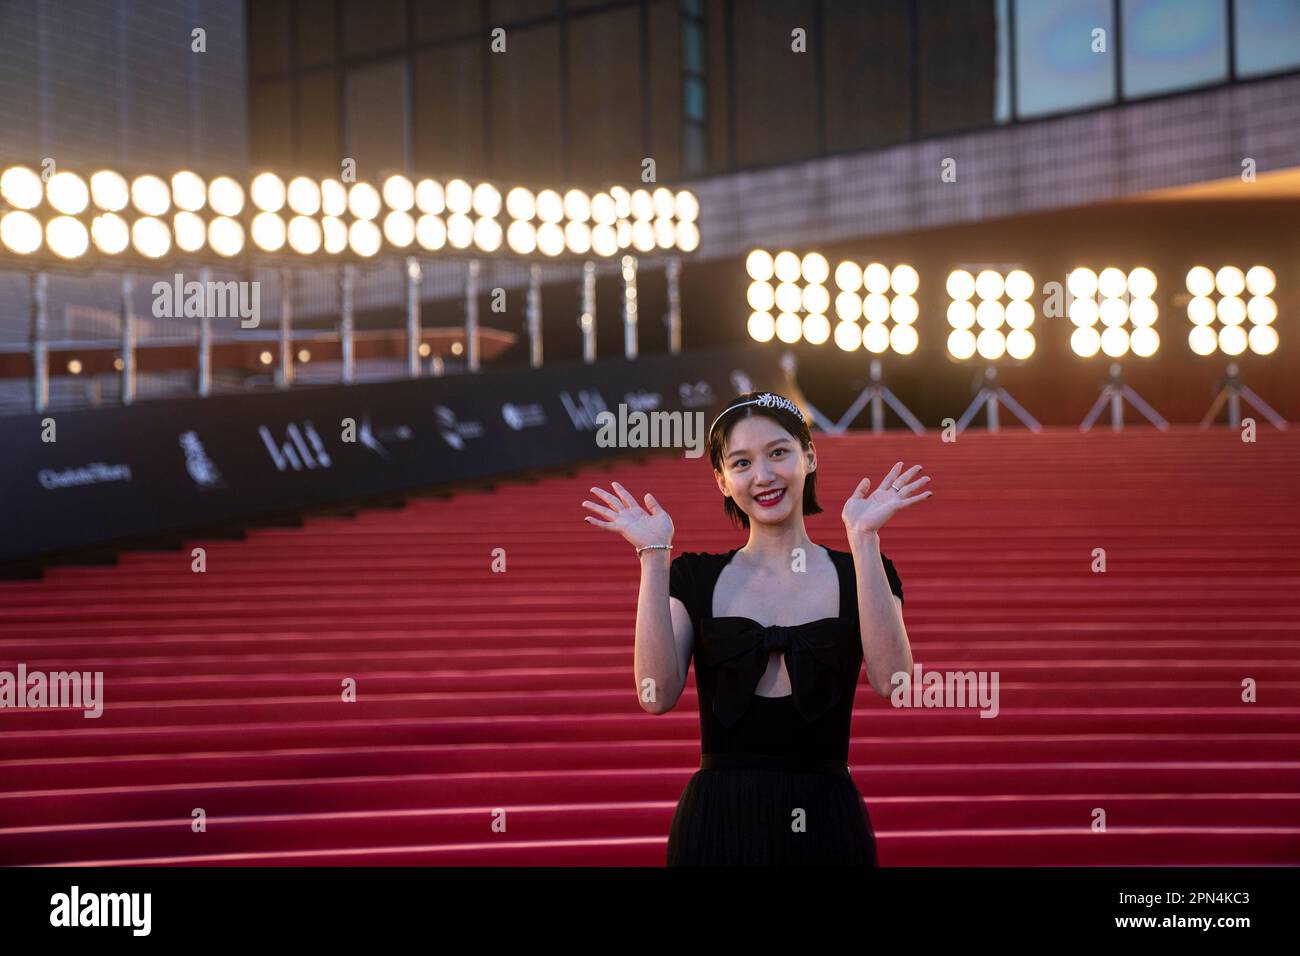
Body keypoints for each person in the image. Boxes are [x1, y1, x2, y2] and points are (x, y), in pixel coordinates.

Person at [581, 390, 932, 866]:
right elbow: (654, 695)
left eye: (779, 453)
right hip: (717, 824)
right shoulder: (692, 577)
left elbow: (894, 682)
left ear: (808, 456)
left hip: (827, 821)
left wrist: (865, 540)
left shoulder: (863, 569)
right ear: (722, 481)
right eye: (741, 463)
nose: (763, 476)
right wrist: (653, 555)